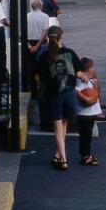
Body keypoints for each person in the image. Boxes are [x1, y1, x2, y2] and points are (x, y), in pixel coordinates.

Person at [37, 25, 84, 171]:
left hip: (53, 95)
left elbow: (39, 77)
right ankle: (61, 158)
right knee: (64, 125)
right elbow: (79, 72)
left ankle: (60, 157)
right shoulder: (69, 52)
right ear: (61, 37)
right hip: (69, 94)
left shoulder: (44, 56)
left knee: (58, 127)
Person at [75, 57, 102, 166]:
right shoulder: (80, 81)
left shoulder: (91, 81)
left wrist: (96, 88)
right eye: (92, 68)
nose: (94, 70)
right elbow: (76, 91)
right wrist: (85, 99)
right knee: (85, 135)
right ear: (87, 70)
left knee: (87, 135)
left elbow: (95, 95)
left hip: (90, 113)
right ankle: (85, 156)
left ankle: (86, 154)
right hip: (84, 113)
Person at [27, 0, 50, 101]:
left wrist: (29, 46)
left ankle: (33, 92)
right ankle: (43, 91)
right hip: (41, 43)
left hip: (29, 43)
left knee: (31, 67)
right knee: (42, 67)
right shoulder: (45, 16)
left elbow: (22, 33)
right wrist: (38, 46)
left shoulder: (27, 16)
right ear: (40, 6)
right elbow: (45, 33)